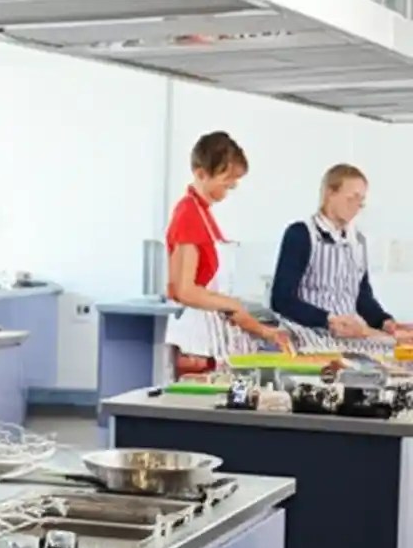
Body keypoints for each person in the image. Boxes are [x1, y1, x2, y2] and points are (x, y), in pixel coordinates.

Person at [164, 131, 290, 376]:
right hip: (195, 344)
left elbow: (220, 300)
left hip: (211, 338)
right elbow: (185, 290)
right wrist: (231, 304)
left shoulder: (203, 213)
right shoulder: (188, 214)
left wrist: (265, 332)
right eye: (227, 178)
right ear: (201, 173)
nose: (233, 184)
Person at [270, 163, 408, 351]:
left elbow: (362, 297)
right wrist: (328, 320)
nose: (357, 206)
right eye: (351, 198)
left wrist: (385, 321)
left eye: (361, 201)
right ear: (329, 193)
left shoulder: (357, 241)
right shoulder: (301, 234)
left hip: (350, 338)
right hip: (309, 334)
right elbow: (281, 299)